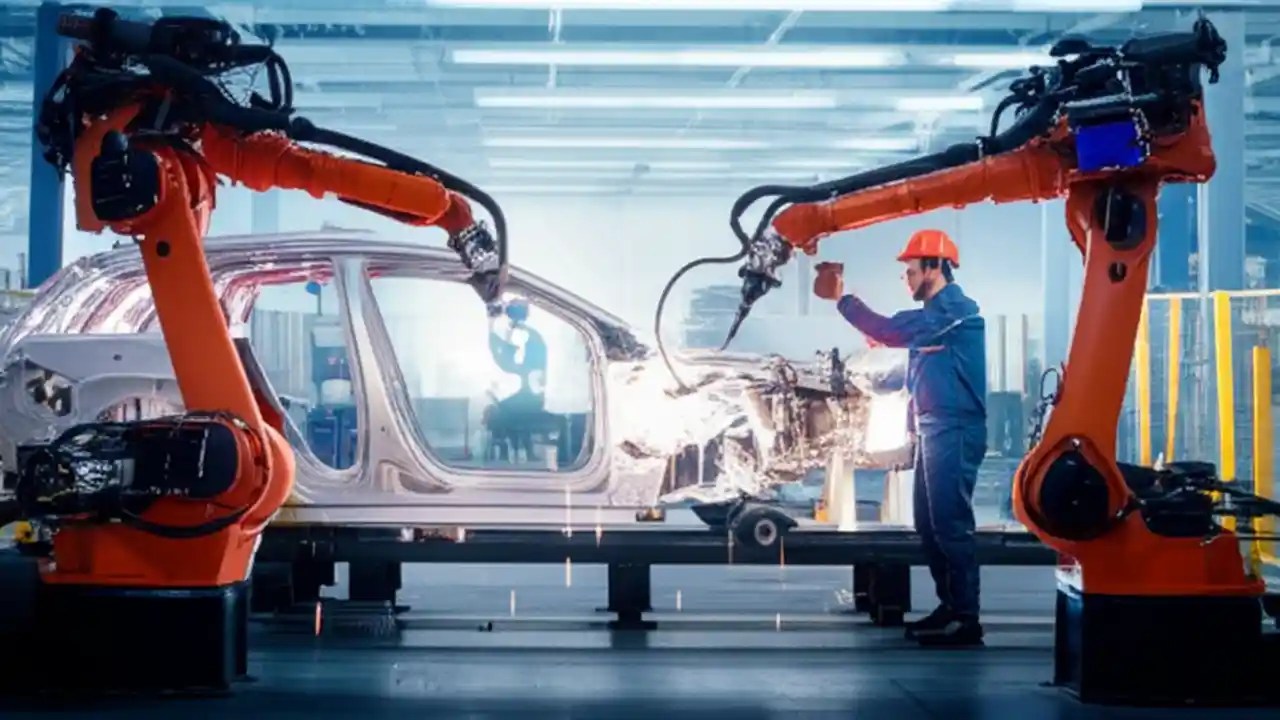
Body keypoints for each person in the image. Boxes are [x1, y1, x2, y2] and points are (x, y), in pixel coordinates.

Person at [814, 228, 988, 647]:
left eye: (911, 270)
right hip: (932, 428)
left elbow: (891, 330)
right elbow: (894, 342)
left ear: (935, 267)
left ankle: (967, 619)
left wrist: (842, 297)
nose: (906, 278)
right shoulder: (932, 321)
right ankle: (950, 607)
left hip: (955, 428)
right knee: (930, 527)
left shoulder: (954, 313)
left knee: (951, 525)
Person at [485, 297, 549, 461]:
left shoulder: (524, 335)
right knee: (505, 407)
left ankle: (508, 449)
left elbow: (509, 363)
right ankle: (522, 450)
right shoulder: (530, 334)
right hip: (531, 394)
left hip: (531, 397)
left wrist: (492, 331)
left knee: (502, 410)